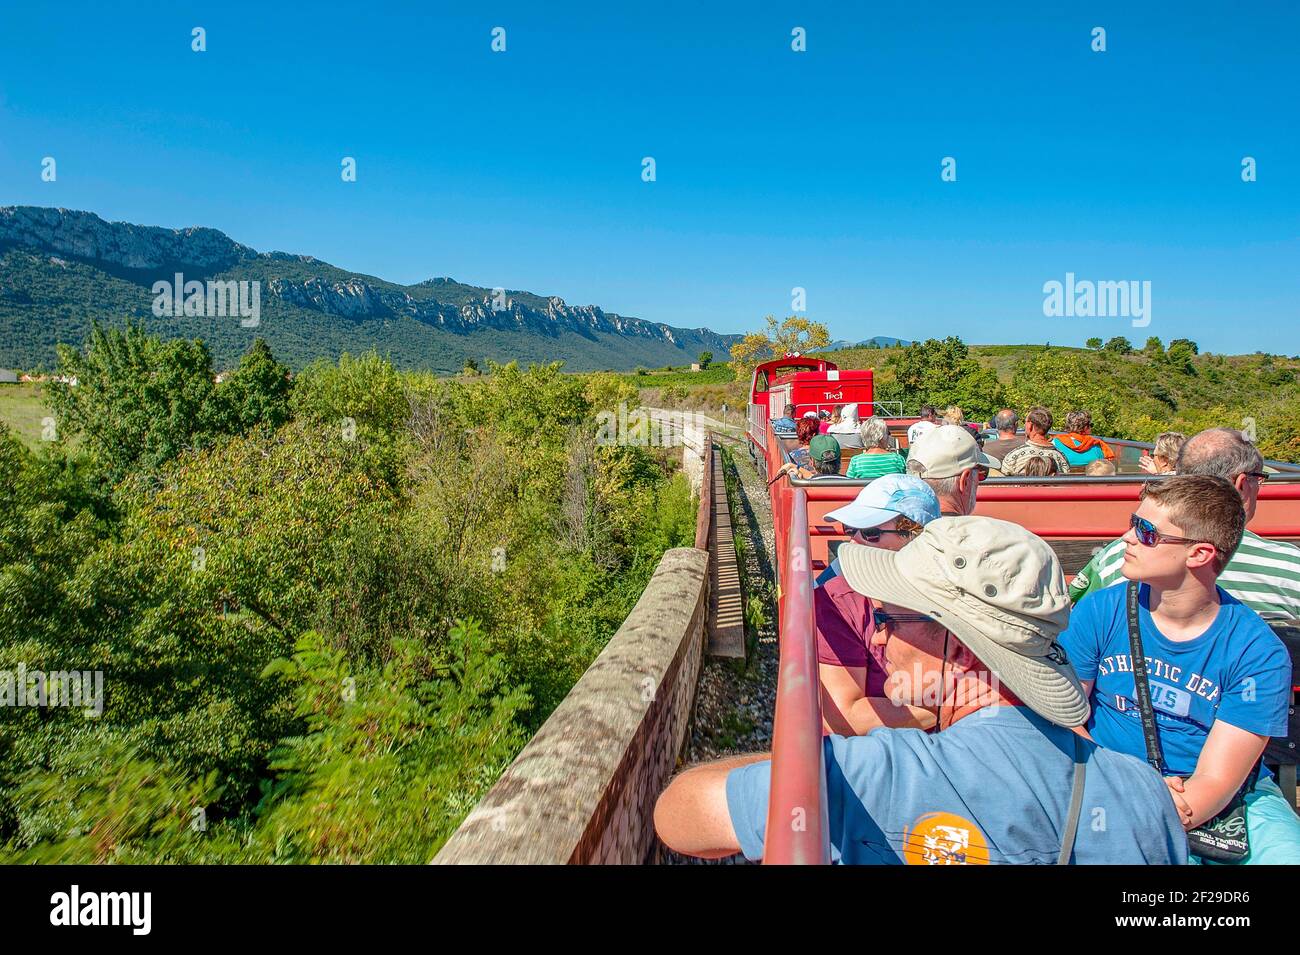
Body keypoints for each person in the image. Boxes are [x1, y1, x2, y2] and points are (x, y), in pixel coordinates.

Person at [653, 517, 1190, 864]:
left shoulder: (874, 773)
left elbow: (679, 814)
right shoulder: (1143, 791)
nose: (877, 637)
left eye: (888, 619)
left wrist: (813, 762)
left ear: (961, 650)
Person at [1060, 475, 1300, 864]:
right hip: (1106, 778)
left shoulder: (1257, 652)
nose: (1127, 538)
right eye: (1133, 523)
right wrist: (1134, 791)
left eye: (1147, 532)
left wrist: (1160, 806)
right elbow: (1064, 718)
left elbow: (1217, 780)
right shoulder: (1100, 612)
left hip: (1228, 800)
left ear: (1200, 554)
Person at [1070, 427, 1300, 619]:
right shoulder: (1290, 567)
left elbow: (1076, 612)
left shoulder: (1121, 556)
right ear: (1241, 483)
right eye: (1259, 479)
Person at [813, 475, 941, 735]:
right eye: (851, 530)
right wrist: (951, 707)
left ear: (915, 535)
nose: (853, 542)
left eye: (870, 533)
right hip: (875, 751)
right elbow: (845, 716)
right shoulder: (837, 602)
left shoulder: (953, 593)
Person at [906, 425, 999, 516]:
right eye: (979, 472)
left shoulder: (900, 522)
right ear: (965, 481)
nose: (979, 480)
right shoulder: (992, 526)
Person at [1000, 407, 1070, 475]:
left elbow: (1004, 478)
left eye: (1025, 422)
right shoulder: (1060, 457)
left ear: (1030, 425)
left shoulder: (1014, 456)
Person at [1052, 410, 1116, 467]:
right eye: (1091, 425)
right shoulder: (1096, 445)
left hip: (1064, 476)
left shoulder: (1055, 443)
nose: (1091, 427)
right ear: (1085, 427)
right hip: (1091, 476)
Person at [777, 434, 842, 480]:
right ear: (840, 460)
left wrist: (794, 467)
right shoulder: (848, 483)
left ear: (812, 462)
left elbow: (814, 477)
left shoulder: (805, 486)